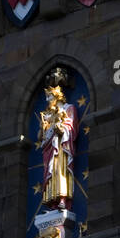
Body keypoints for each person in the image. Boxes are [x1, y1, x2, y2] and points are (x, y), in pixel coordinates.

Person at [39, 70, 79, 210]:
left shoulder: (69, 108)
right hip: (50, 148)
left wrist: (61, 129)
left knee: (59, 170)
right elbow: (42, 137)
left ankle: (62, 198)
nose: (47, 101)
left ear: (57, 97)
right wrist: (44, 128)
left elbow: (71, 127)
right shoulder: (48, 115)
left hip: (62, 147)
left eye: (49, 97)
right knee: (50, 171)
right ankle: (51, 200)